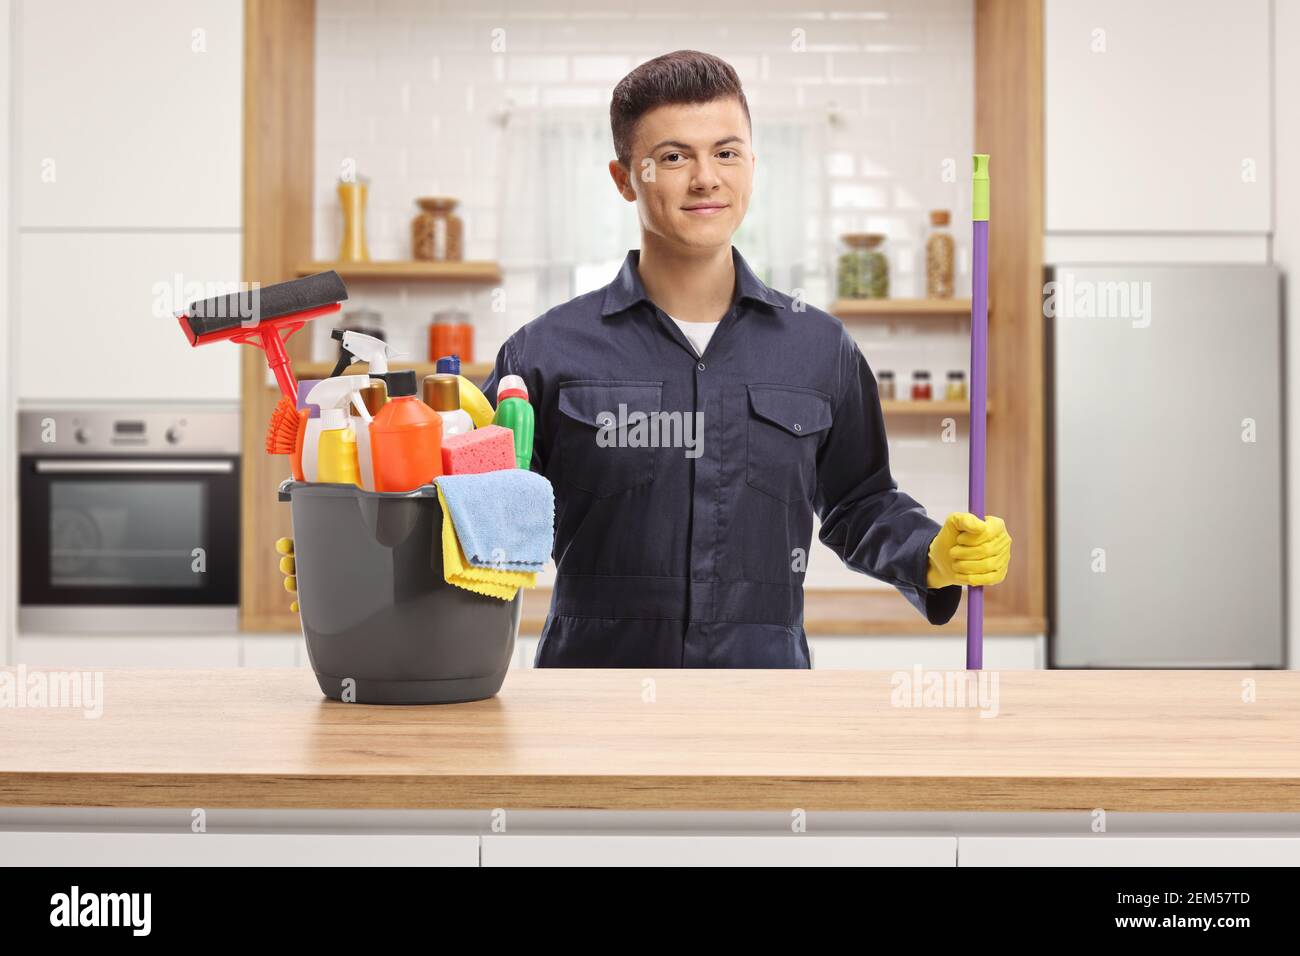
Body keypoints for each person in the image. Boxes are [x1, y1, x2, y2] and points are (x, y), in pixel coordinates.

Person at [281, 50, 1011, 668]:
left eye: (726, 152)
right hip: (586, 707)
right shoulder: (541, 354)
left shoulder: (819, 348)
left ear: (753, 163)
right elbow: (475, 521)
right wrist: (356, 557)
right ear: (624, 177)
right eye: (673, 157)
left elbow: (861, 503)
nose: (706, 179)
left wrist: (931, 555)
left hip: (765, 703)